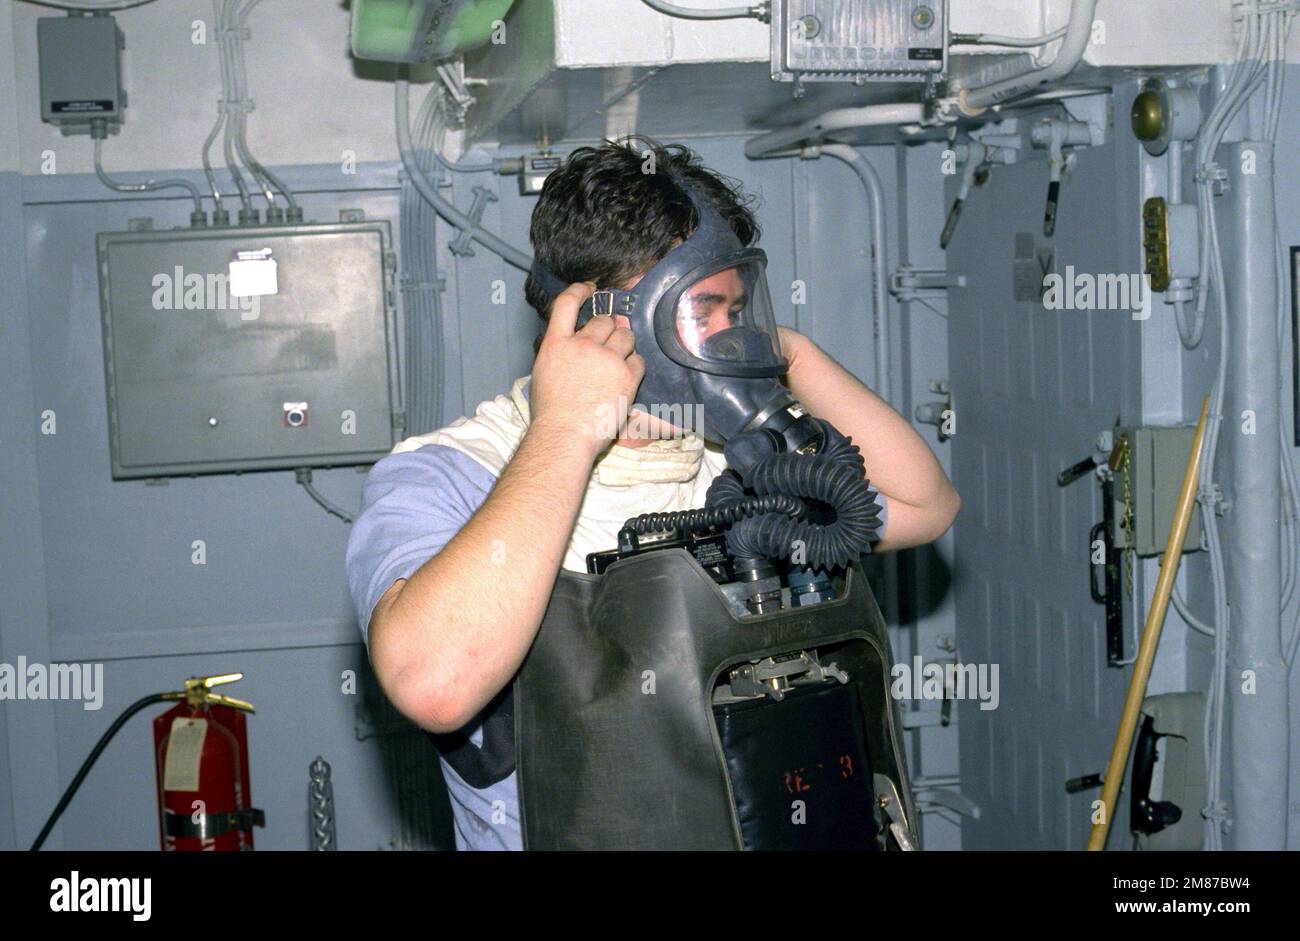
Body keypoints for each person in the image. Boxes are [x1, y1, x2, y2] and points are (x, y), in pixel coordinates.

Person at [346, 137, 960, 850]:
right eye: (707, 310)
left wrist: (781, 349)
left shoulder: (736, 461)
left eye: (739, 307)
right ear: (611, 318)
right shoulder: (447, 475)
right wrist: (570, 426)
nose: (732, 336)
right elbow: (434, 680)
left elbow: (925, 505)